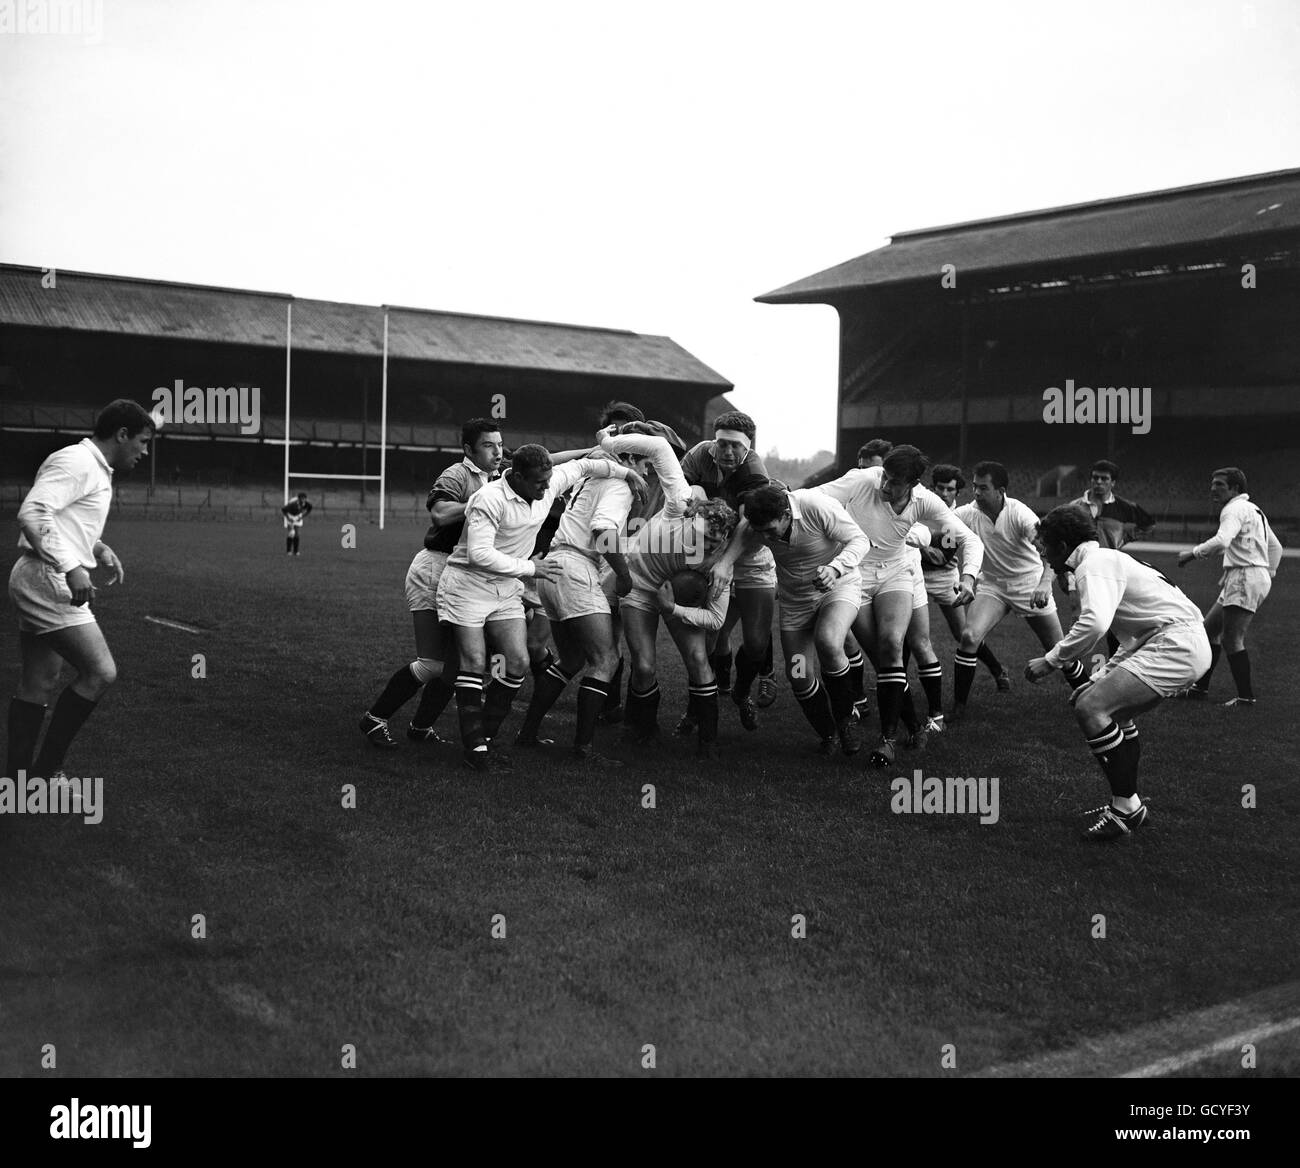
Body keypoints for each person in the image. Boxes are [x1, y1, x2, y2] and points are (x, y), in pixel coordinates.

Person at [436, 443, 646, 771]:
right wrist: (531, 568)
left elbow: (584, 467)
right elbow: (478, 554)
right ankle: (475, 749)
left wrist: (626, 472)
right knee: (475, 661)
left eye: (549, 479)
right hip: (468, 583)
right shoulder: (489, 498)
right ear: (517, 477)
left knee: (518, 661)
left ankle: (489, 738)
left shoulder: (548, 481)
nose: (548, 487)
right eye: (539, 483)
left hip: (506, 585)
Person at [1026, 505, 1211, 841]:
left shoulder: (1092, 565)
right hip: (1177, 640)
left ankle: (1126, 808)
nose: (1043, 551)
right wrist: (1100, 677)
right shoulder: (1106, 559)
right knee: (1115, 714)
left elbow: (1094, 623)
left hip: (1177, 643)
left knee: (1091, 708)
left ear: (1064, 546)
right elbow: (1133, 636)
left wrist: (1051, 660)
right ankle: (1128, 803)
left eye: (1046, 545)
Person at [6, 399, 154, 782]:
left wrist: (97, 548)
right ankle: (47, 773)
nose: (144, 451)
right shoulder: (77, 462)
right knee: (100, 672)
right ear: (121, 434)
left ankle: (20, 784)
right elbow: (33, 513)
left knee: (38, 681)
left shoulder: (92, 467)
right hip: (48, 580)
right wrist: (72, 567)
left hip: (41, 574)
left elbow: (62, 520)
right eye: (142, 441)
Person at [817, 445, 983, 767]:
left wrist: (969, 577)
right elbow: (816, 496)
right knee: (882, 660)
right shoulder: (863, 480)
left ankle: (886, 741)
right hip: (855, 575)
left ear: (912, 483)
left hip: (895, 573)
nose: (884, 487)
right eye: (885, 478)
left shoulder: (925, 501)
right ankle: (915, 727)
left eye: (894, 482)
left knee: (893, 643)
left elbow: (967, 539)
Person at [512, 429, 659, 762]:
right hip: (577, 568)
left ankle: (527, 734)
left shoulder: (592, 475)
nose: (649, 471)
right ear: (632, 458)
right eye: (647, 463)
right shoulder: (620, 485)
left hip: (554, 567)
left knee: (573, 659)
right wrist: (623, 577)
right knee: (606, 660)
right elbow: (603, 530)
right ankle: (584, 749)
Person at [359, 418, 503, 748]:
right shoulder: (458, 474)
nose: (497, 452)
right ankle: (373, 719)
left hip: (465, 576)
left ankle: (420, 727)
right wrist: (479, 502)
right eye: (488, 445)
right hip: (434, 569)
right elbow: (439, 514)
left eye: (499, 444)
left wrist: (595, 454)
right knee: (433, 663)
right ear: (469, 449)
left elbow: (544, 460)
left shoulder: (499, 474)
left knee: (458, 665)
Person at [735, 484, 871, 756]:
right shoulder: (758, 525)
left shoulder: (814, 505)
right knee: (798, 674)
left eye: (770, 531)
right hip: (796, 603)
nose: (764, 537)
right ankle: (828, 734)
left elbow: (860, 540)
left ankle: (846, 721)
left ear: (787, 514)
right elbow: (742, 534)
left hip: (837, 588)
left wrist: (835, 568)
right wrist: (723, 564)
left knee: (829, 642)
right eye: (759, 531)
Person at [951, 461, 1089, 720]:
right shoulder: (968, 513)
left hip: (1029, 584)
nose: (976, 493)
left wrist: (1045, 582)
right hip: (993, 584)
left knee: (1061, 652)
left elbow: (1049, 548)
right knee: (969, 637)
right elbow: (940, 525)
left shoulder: (1020, 513)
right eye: (974, 487)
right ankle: (958, 708)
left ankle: (1090, 699)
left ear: (1000, 490)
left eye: (983, 488)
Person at [679, 411, 777, 729]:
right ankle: (698, 709)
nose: (728, 452)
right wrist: (696, 496)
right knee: (711, 636)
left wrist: (725, 564)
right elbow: (681, 493)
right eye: (722, 444)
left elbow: (749, 525)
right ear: (714, 441)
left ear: (747, 448)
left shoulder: (754, 469)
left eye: (736, 446)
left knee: (757, 640)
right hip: (713, 550)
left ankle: (742, 693)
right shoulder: (698, 454)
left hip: (750, 556)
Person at [1175, 467, 1283, 706]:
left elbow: (1222, 540)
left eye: (1220, 484)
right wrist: (1266, 573)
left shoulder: (1232, 509)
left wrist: (1190, 554)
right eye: (1213, 483)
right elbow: (1276, 548)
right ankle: (1199, 689)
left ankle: (1246, 698)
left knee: (1232, 639)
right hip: (1246, 576)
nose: (1213, 488)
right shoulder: (1254, 510)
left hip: (1245, 577)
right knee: (1207, 631)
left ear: (1235, 488)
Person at [920, 464, 1009, 689]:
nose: (944, 493)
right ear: (932, 488)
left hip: (945, 578)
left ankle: (998, 669)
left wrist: (917, 543)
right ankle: (897, 686)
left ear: (957, 493)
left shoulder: (954, 518)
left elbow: (940, 557)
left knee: (962, 633)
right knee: (907, 632)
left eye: (950, 490)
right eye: (940, 488)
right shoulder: (920, 506)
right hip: (916, 575)